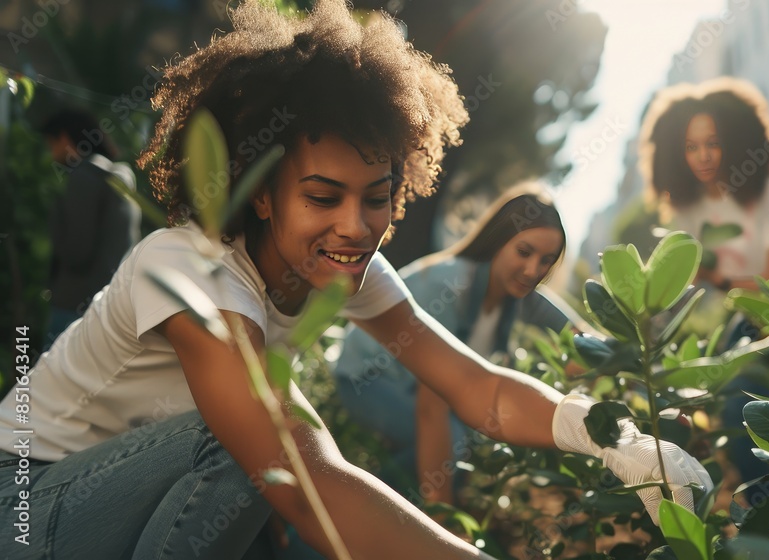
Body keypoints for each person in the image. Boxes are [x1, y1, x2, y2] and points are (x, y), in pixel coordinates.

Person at [0, 2, 711, 559]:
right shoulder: (187, 270)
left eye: (377, 197)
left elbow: (477, 388)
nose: (355, 226)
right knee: (253, 454)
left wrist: (617, 441)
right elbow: (308, 483)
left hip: (117, 496)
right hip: (24, 505)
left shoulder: (341, 267)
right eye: (323, 196)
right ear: (262, 193)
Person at [335, 184, 584, 505]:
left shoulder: (519, 294)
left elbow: (581, 339)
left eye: (546, 260)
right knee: (454, 441)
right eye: (524, 252)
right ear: (498, 242)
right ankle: (357, 518)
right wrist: (443, 509)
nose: (533, 270)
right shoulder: (451, 285)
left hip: (418, 390)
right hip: (365, 378)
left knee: (468, 441)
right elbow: (431, 406)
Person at [639, 77, 769, 506]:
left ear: (735, 140)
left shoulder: (767, 189)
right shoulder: (689, 208)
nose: (703, 156)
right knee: (715, 394)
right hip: (744, 312)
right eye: (691, 147)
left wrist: (719, 280)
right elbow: (681, 281)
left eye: (712, 142)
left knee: (738, 404)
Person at [40, 109, 141, 348]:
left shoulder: (84, 177)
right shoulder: (120, 176)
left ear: (64, 139)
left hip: (73, 307)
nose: (51, 153)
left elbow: (76, 253)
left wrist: (55, 215)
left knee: (51, 382)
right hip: (109, 307)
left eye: (51, 144)